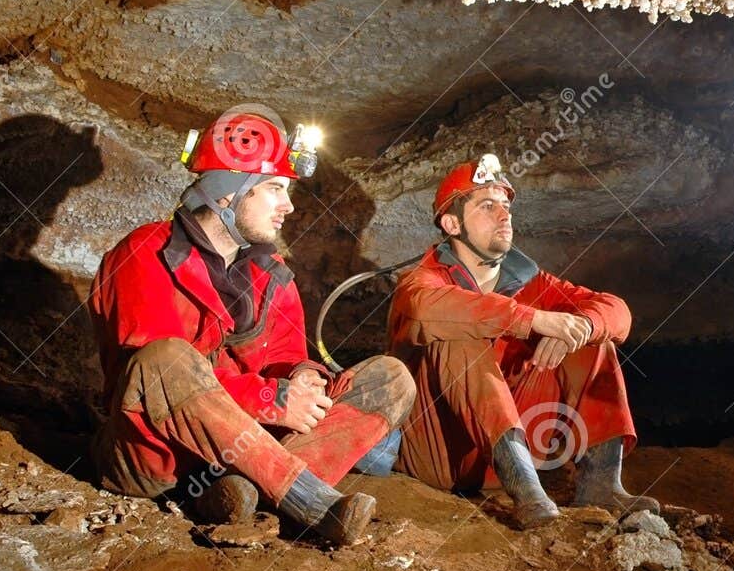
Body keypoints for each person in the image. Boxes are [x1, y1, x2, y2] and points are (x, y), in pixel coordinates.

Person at [86, 105, 414, 548]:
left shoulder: (270, 272)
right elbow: (158, 374)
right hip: (157, 455)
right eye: (275, 188)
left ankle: (238, 491)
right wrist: (273, 400)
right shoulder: (145, 252)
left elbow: (286, 355)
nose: (289, 206)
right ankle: (312, 503)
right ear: (227, 194)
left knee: (391, 378)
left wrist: (302, 377)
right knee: (166, 357)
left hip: (243, 448)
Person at [388, 154, 658, 528]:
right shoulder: (422, 279)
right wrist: (533, 319)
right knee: (458, 332)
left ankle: (601, 483)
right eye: (487, 206)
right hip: (439, 455)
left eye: (506, 206)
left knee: (593, 338)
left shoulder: (532, 282)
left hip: (506, 457)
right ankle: (528, 494)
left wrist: (581, 327)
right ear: (452, 224)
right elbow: (422, 309)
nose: (504, 216)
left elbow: (618, 312)